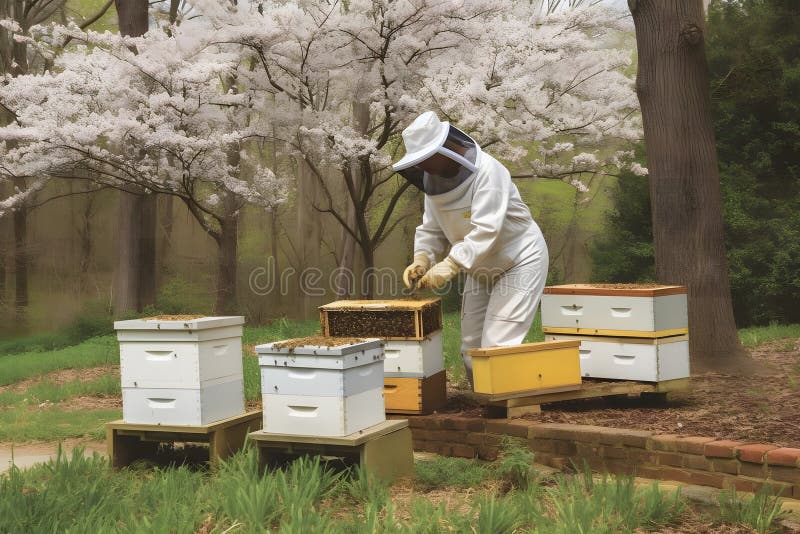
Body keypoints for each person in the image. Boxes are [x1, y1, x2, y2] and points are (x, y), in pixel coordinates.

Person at [393, 111, 549, 386]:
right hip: (478, 266)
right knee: (471, 350)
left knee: (497, 345)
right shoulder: (434, 185)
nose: (425, 166)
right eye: (420, 161)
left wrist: (451, 265)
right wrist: (422, 258)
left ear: (445, 149)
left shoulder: (490, 172)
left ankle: (503, 408)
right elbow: (431, 228)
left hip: (519, 259)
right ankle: (482, 401)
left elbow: (487, 230)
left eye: (427, 158)